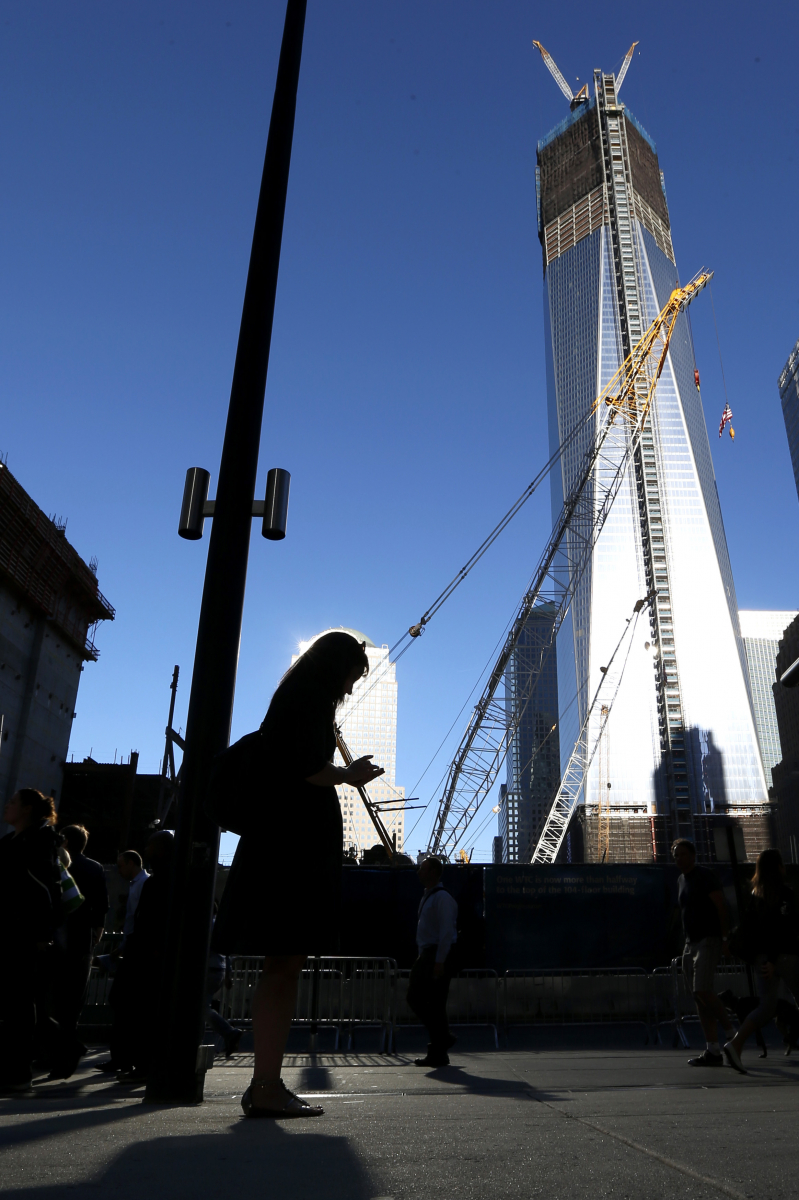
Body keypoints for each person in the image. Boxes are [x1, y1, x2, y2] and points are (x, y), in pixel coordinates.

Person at [212, 630, 383, 1118]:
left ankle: (264, 1082)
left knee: (281, 964)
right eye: (352, 674)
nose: (352, 686)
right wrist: (349, 776)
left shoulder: (294, 696)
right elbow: (304, 766)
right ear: (336, 665)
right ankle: (265, 1085)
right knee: (285, 964)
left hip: (279, 842)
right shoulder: (310, 700)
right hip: (294, 846)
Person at [0, 789, 62, 1092]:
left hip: (22, 933)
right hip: (9, 930)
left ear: (26, 809)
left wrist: (42, 933)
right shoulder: (11, 841)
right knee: (13, 1002)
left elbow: (48, 889)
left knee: (18, 1003)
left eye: (12, 802)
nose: (6, 806)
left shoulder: (40, 840)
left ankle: (18, 1072)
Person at [723, 849, 799, 1074]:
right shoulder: (785, 894)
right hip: (784, 957)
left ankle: (735, 1044)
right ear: (778, 867)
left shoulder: (756, 895)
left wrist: (763, 959)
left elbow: (752, 930)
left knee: (766, 1007)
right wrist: (775, 960)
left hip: (762, 959)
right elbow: (784, 930)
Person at [110, 831, 175, 1083]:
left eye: (150, 846)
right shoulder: (167, 880)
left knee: (136, 1009)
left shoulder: (154, 883)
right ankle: (143, 1064)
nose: (147, 850)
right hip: (151, 954)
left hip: (145, 955)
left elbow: (145, 922)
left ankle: (139, 1064)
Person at [49, 824, 109, 1079]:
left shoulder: (57, 863)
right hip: (82, 940)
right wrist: (96, 934)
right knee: (73, 1002)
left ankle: (57, 1051)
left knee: (48, 999)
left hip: (54, 938)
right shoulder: (95, 868)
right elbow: (101, 907)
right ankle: (66, 1053)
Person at [673, 838, 735, 1067]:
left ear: (693, 855)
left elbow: (721, 906)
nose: (679, 858)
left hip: (709, 939)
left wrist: (725, 938)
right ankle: (713, 1050)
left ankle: (732, 1034)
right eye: (676, 855)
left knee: (703, 989)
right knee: (699, 997)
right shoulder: (680, 880)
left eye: (682, 854)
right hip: (690, 942)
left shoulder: (705, 876)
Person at [406, 856, 459, 1068]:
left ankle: (441, 1040)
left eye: (423, 869)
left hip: (435, 954)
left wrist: (439, 961)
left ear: (434, 872)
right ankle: (439, 1049)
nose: (419, 872)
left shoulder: (441, 898)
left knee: (417, 997)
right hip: (430, 954)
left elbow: (446, 933)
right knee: (435, 1003)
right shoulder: (430, 896)